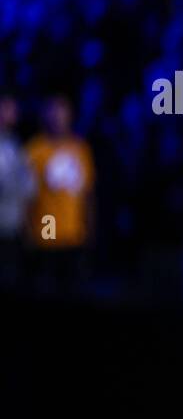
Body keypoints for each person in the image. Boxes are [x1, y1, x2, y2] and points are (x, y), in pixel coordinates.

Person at [24, 94, 95, 293]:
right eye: (52, 111)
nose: (57, 117)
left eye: (62, 111)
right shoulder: (35, 150)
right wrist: (29, 229)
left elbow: (88, 193)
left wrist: (90, 227)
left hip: (74, 234)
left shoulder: (80, 149)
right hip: (47, 232)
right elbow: (26, 195)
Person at [0, 95, 35, 288]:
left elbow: (28, 187)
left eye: (14, 109)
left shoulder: (15, 144)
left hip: (14, 228)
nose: (13, 113)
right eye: (7, 108)